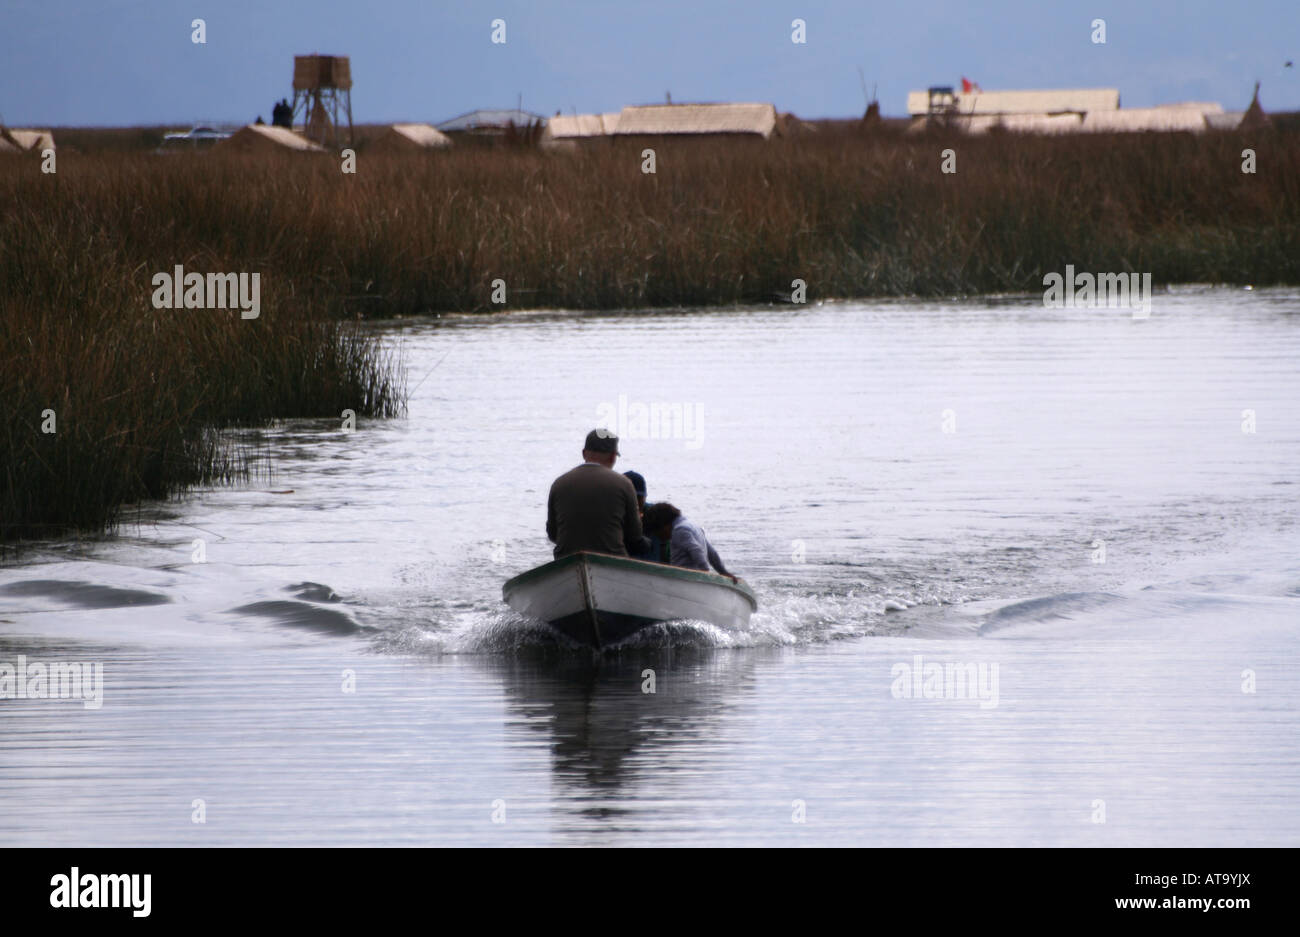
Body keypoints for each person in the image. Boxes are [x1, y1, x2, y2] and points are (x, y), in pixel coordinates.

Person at [546, 429, 643, 559]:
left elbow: (553, 533)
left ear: (584, 453)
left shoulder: (559, 484)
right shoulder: (624, 484)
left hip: (566, 558)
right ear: (613, 456)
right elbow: (634, 535)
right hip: (612, 559)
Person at [641, 502, 738, 582]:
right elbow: (712, 553)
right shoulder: (693, 526)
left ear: (664, 525)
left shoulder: (679, 530)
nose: (658, 537)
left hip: (685, 579)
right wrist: (723, 572)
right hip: (693, 578)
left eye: (656, 532)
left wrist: (705, 573)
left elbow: (696, 550)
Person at [621, 470, 668, 562]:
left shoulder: (656, 515)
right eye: (632, 497)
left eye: (639, 497)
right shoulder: (615, 515)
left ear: (645, 497)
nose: (636, 502)